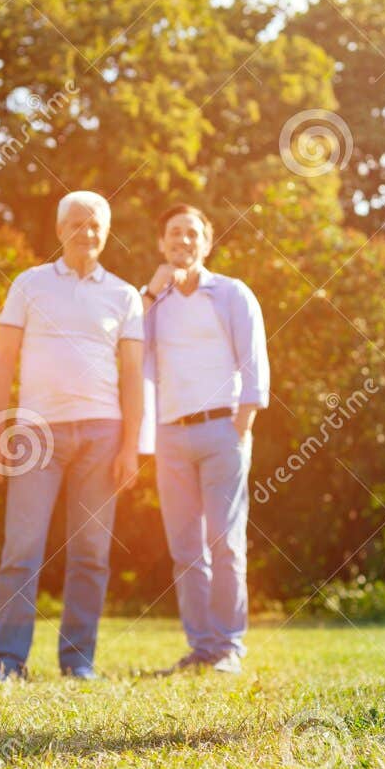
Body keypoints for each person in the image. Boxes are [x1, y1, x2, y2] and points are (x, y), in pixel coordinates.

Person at [0, 191, 143, 681]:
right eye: (77, 224)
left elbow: (134, 375)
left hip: (102, 433)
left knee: (91, 553)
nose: (87, 233)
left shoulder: (124, 294)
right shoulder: (29, 285)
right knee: (21, 549)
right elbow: (3, 361)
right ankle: (8, 663)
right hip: (35, 434)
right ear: (59, 230)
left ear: (106, 232)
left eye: (96, 225)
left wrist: (131, 446)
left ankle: (78, 663)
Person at [140, 204, 269, 675]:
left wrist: (243, 423)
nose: (183, 241)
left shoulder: (231, 293)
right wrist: (151, 293)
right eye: (175, 233)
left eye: (192, 233)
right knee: (185, 549)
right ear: (162, 243)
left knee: (226, 542)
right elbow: (129, 349)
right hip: (170, 434)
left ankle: (229, 647)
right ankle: (201, 647)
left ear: (206, 242)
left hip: (223, 430)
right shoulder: (152, 301)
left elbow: (253, 359)